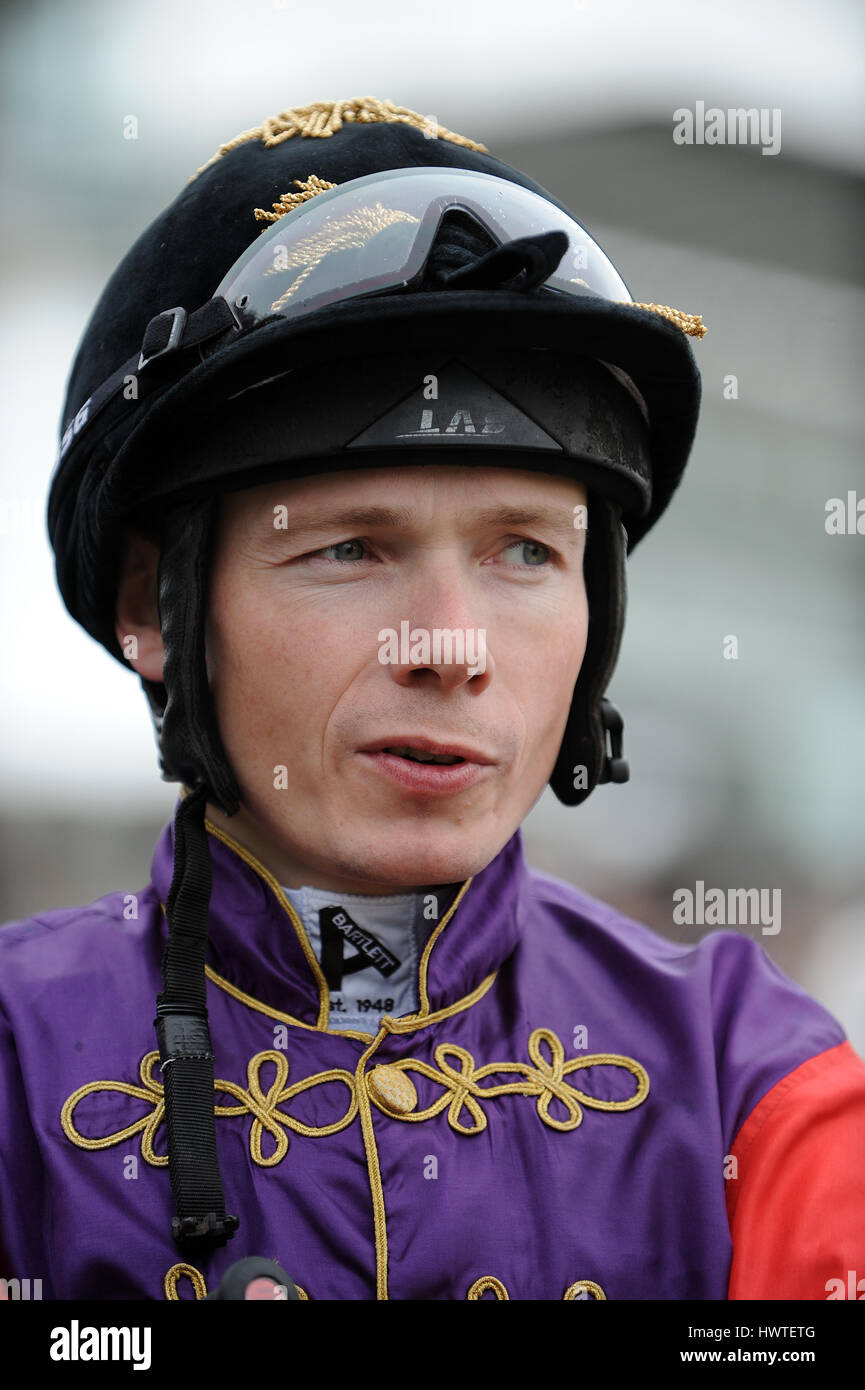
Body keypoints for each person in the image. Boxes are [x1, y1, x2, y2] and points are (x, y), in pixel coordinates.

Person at [1, 97, 863, 1302]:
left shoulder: (749, 1077)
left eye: (524, 552)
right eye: (351, 548)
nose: (449, 646)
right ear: (156, 605)